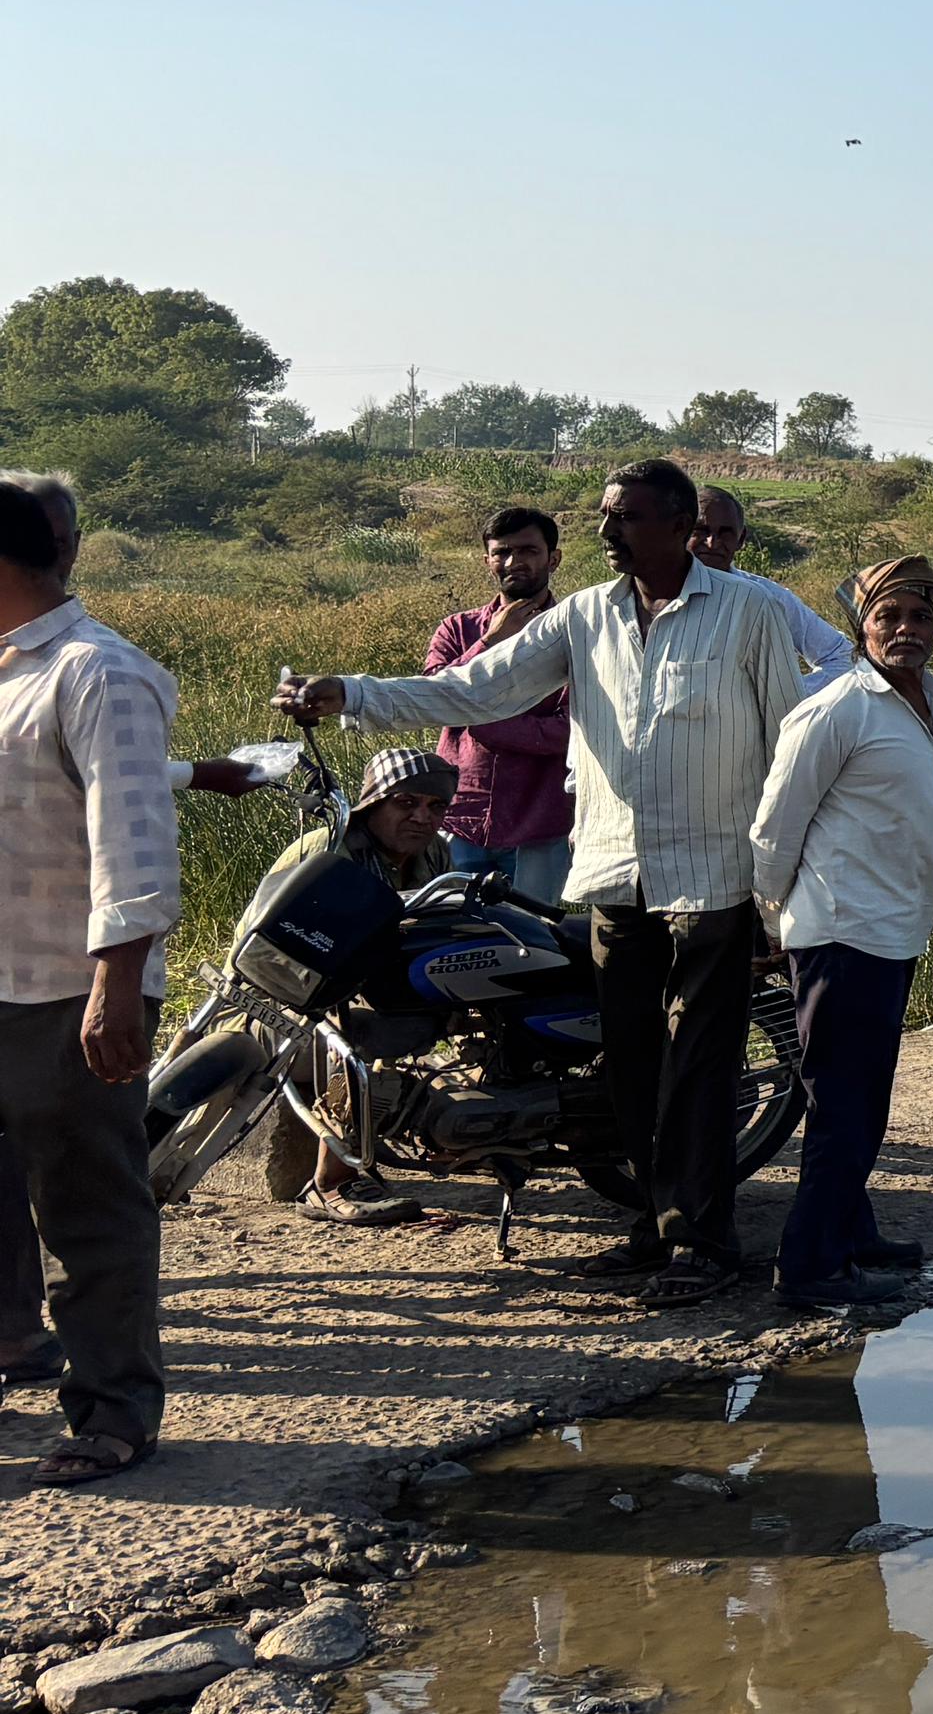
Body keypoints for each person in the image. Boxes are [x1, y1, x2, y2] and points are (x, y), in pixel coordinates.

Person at [281, 456, 808, 1310]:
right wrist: (353, 695)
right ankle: (653, 1228)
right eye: (604, 515)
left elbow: (791, 742)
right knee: (633, 1062)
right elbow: (478, 687)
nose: (606, 532)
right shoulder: (588, 618)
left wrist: (778, 884)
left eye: (627, 517)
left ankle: (705, 1243)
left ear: (678, 524)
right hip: (612, 871)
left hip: (716, 878)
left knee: (701, 1067)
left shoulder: (749, 612)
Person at [0, 470, 176, 1486]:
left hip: (69, 988)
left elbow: (135, 849)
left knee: (89, 1210)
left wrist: (117, 987)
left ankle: (113, 1410)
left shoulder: (99, 672)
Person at [747, 556, 933, 1314]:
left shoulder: (926, 703)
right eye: (889, 617)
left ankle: (854, 1230)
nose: (906, 630)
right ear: (862, 626)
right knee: (845, 1104)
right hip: (840, 932)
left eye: (921, 616)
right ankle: (808, 1264)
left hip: (892, 930)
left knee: (859, 1095)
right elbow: (775, 827)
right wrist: (775, 920)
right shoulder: (837, 708)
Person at [235, 745, 462, 1225]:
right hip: (282, 1006)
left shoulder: (436, 853)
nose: (423, 817)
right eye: (406, 803)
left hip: (373, 997)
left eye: (435, 806)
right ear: (373, 802)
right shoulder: (326, 850)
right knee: (362, 1040)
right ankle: (332, 1183)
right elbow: (255, 943)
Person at [428, 505, 577, 903]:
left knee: (530, 942)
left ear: (553, 558)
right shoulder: (458, 629)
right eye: (502, 552)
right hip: (461, 816)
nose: (514, 562)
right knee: (454, 940)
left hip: (539, 824)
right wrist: (490, 642)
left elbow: (572, 729)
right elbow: (431, 696)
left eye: (528, 550)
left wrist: (485, 724)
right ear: (488, 560)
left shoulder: (578, 633)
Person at [693, 489, 859, 682]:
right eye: (701, 531)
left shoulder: (769, 598)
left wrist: (792, 699)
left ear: (741, 539)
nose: (713, 543)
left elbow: (842, 656)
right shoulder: (656, 598)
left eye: (726, 533)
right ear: (680, 531)